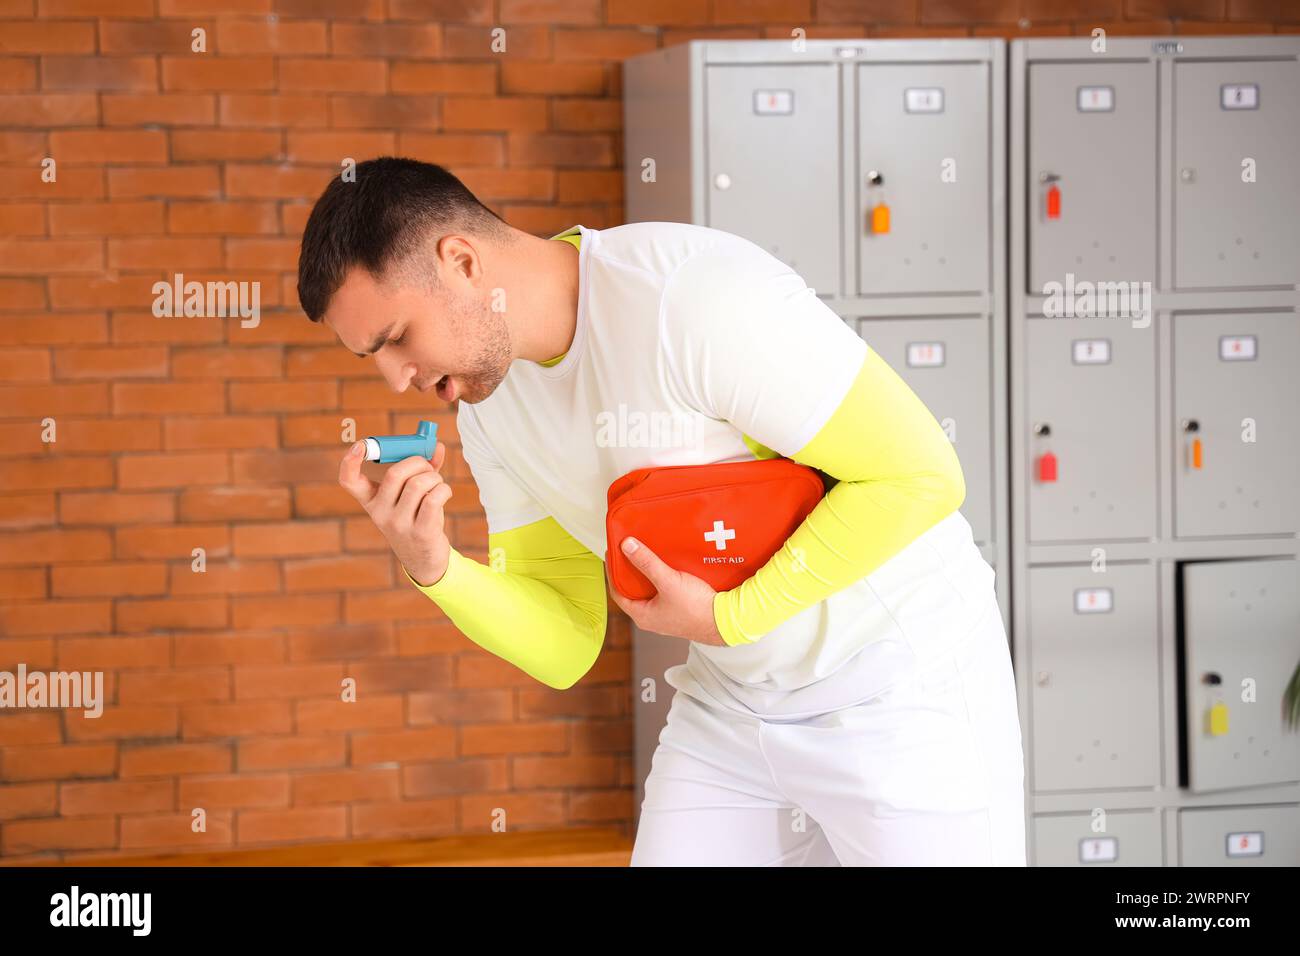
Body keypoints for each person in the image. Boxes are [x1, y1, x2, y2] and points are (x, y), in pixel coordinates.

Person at [297, 157, 1026, 866]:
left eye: (395, 339)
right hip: (735, 705)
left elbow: (921, 474)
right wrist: (436, 567)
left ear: (460, 262)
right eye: (375, 359)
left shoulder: (693, 299)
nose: (399, 377)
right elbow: (567, 640)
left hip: (898, 684)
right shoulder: (490, 414)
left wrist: (732, 616)